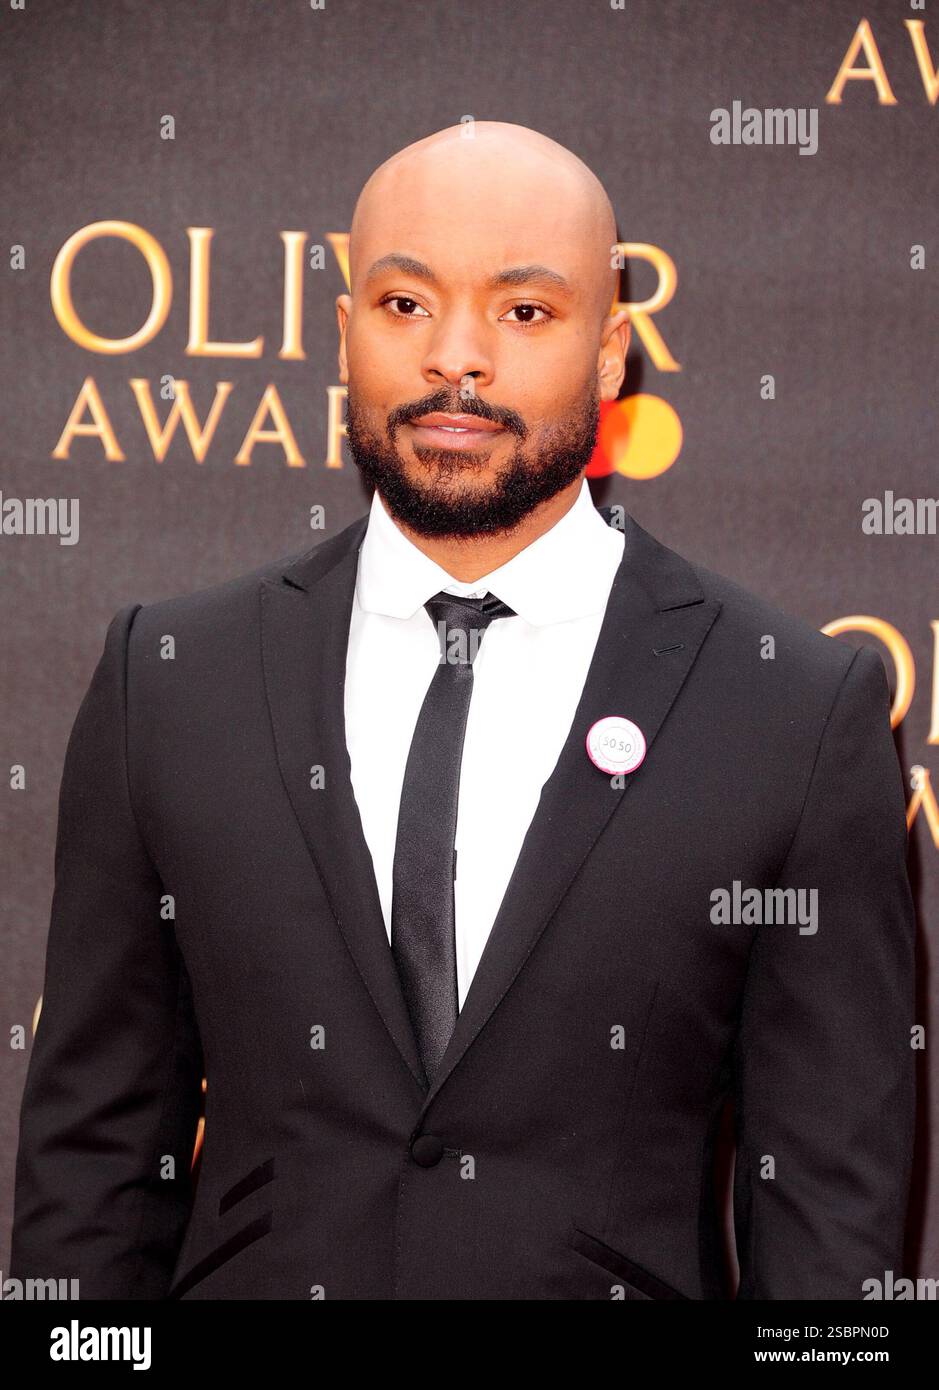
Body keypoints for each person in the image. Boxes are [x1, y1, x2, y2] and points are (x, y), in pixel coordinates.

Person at [10, 122, 915, 1300]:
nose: (457, 359)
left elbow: (832, 1217)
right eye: (404, 304)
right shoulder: (170, 676)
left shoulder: (793, 708)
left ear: (611, 354)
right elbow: (93, 1160)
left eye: (525, 312)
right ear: (341, 336)